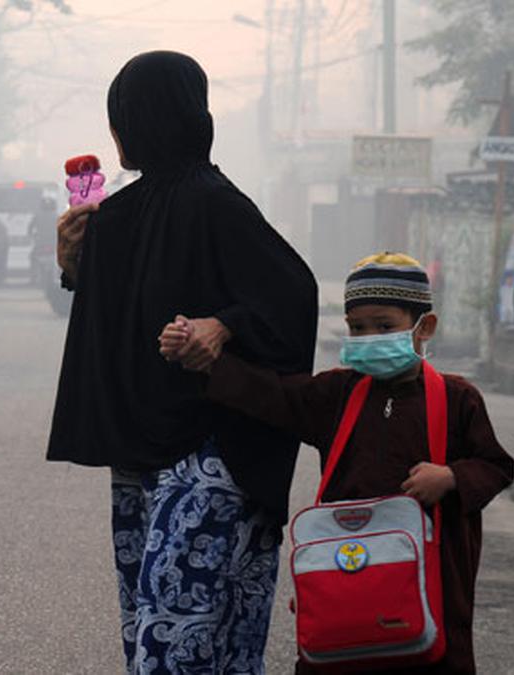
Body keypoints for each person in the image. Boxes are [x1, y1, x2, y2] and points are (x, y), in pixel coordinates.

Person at [48, 51, 319, 674]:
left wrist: (222, 325)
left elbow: (292, 292)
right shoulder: (112, 217)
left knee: (176, 649)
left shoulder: (215, 202)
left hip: (210, 454)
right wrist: (73, 264)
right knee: (159, 629)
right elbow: (112, 324)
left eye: (121, 116)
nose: (116, 132)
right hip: (138, 455)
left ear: (144, 117)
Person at [160, 252, 514, 674]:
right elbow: (272, 395)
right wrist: (209, 361)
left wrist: (453, 476)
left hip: (427, 581)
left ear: (425, 327)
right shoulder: (337, 393)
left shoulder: (458, 400)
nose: (369, 337)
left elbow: (496, 465)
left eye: (384, 326)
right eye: (357, 327)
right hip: (347, 571)